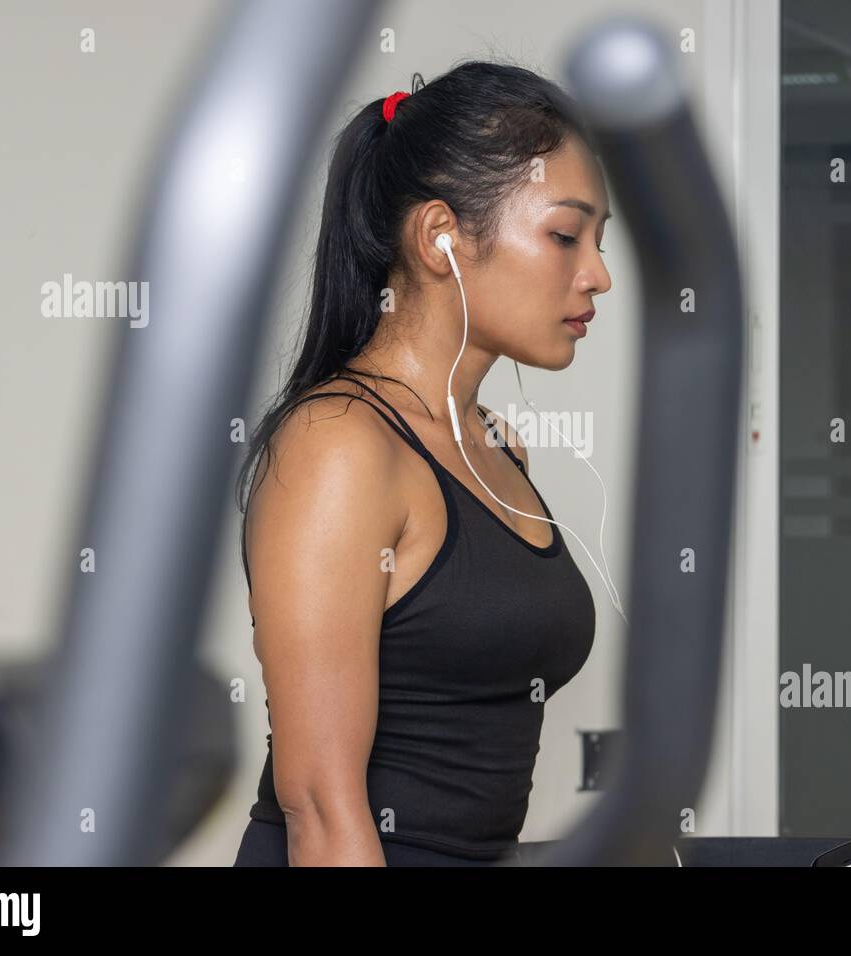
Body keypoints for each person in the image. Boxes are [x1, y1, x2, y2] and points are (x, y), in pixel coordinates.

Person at [231, 60, 613, 866]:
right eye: (564, 234)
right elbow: (322, 811)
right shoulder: (338, 447)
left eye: (599, 239)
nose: (598, 275)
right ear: (439, 236)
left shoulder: (497, 447)